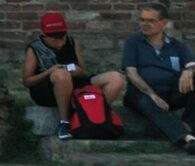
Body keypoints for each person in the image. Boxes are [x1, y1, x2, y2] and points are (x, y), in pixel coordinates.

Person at [117, 0, 195, 153]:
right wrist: (152, 95)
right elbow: (131, 73)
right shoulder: (133, 43)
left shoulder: (176, 45)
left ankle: (189, 125)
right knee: (146, 100)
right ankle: (186, 138)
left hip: (170, 92)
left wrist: (189, 71)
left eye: (151, 21)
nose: (145, 24)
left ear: (164, 23)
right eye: (142, 20)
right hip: (141, 92)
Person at [21, 11, 120, 140]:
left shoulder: (73, 42)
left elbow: (85, 73)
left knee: (116, 78)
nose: (59, 42)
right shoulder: (34, 48)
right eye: (54, 39)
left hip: (76, 84)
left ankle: (93, 116)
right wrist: (49, 71)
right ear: (44, 35)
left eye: (62, 37)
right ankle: (65, 122)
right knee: (61, 75)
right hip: (47, 89)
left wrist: (79, 71)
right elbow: (27, 81)